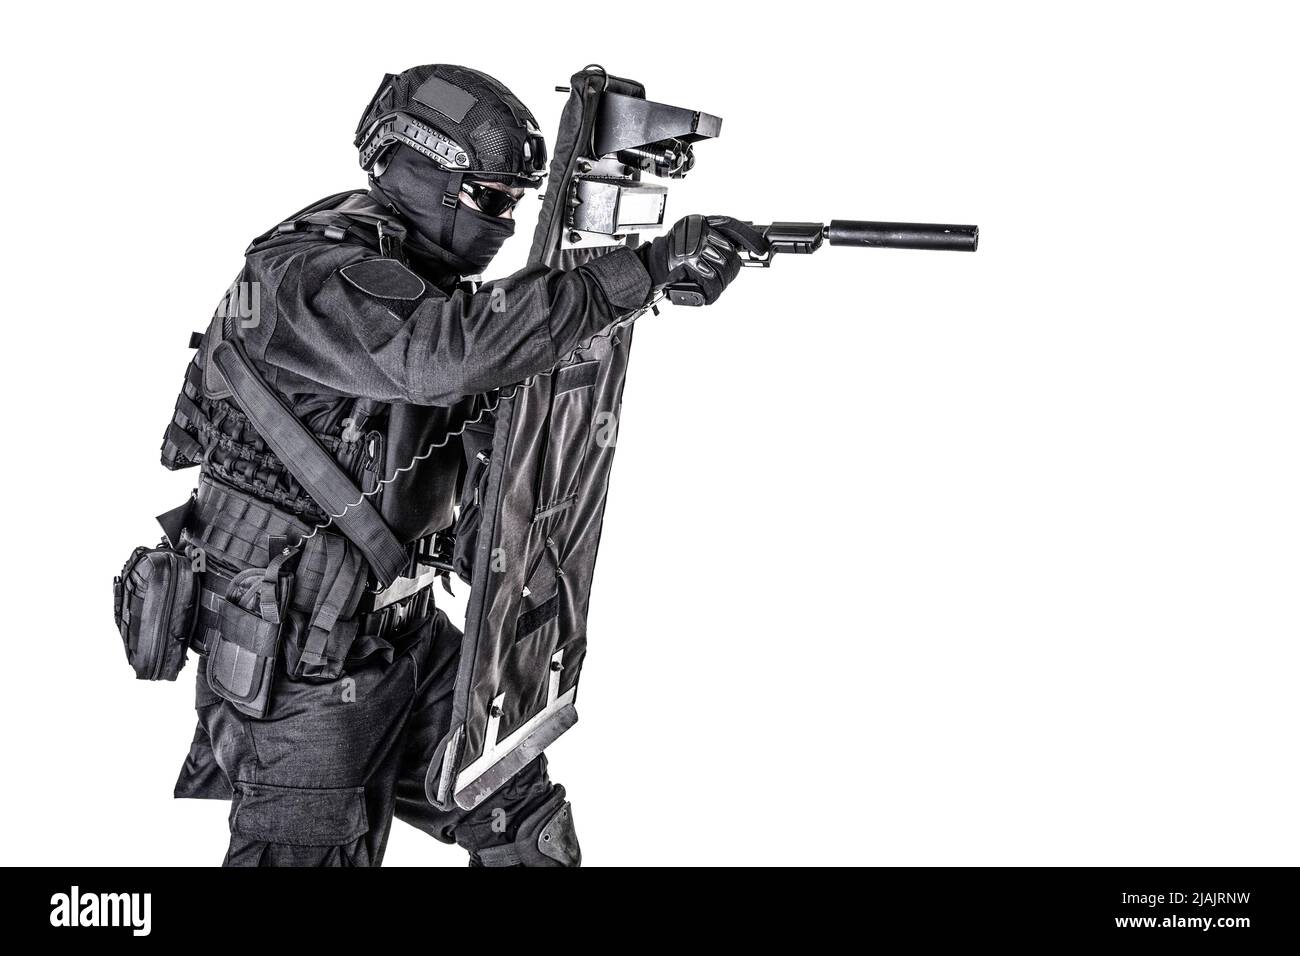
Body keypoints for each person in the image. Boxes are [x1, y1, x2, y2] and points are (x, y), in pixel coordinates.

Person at [159, 63, 761, 866]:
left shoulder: (409, 278)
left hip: (403, 636)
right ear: (423, 171)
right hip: (300, 664)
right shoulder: (308, 273)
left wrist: (642, 280)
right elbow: (444, 356)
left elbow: (489, 340)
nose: (504, 225)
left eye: (514, 202)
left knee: (522, 824)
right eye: (488, 199)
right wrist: (637, 273)